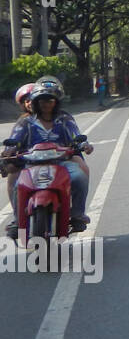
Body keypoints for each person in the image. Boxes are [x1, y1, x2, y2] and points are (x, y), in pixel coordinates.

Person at [3, 76, 94, 238]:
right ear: (36, 102)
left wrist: (83, 145)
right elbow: (14, 140)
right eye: (42, 100)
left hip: (62, 162)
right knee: (17, 185)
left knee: (80, 176)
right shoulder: (26, 123)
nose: (46, 104)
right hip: (31, 165)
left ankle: (78, 214)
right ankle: (18, 220)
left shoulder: (65, 119)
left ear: (56, 102)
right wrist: (8, 152)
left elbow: (76, 135)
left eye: (50, 100)